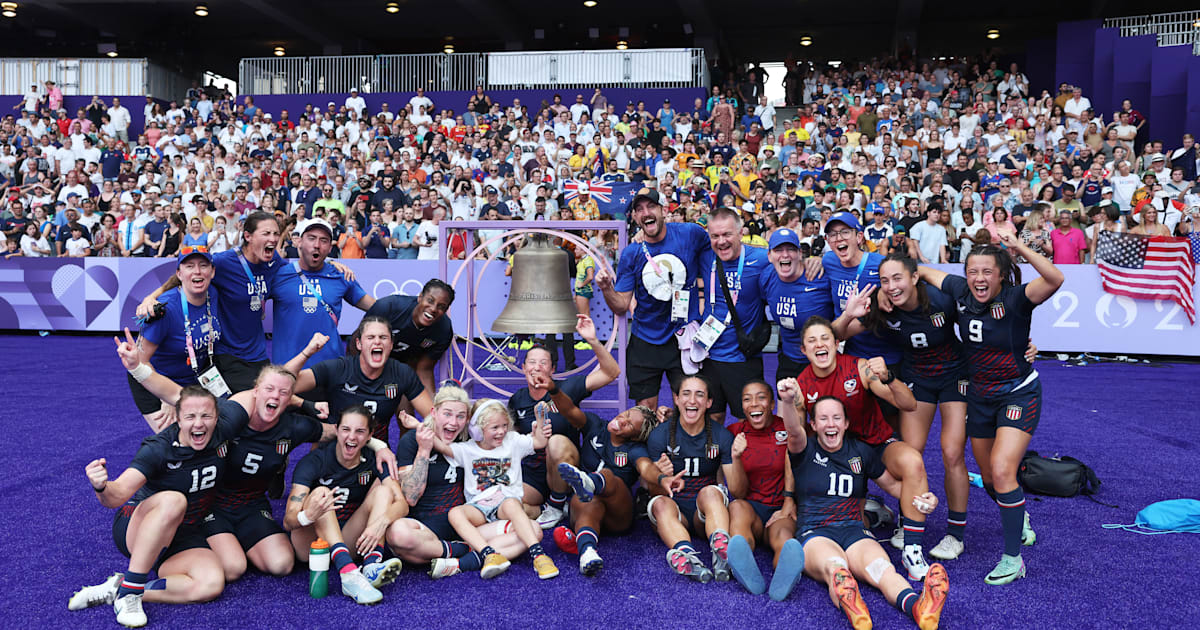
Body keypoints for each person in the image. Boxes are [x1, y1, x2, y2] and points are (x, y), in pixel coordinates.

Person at [917, 228, 1064, 585]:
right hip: (979, 397)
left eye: (987, 272)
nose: (979, 278)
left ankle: (1013, 559)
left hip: (1018, 393)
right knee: (992, 478)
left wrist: (1017, 247)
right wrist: (913, 267)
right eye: (972, 271)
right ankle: (1021, 515)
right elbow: (926, 273)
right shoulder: (959, 291)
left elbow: (1055, 278)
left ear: (1000, 275)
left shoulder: (1016, 298)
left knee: (1000, 469)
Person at [833, 254, 971, 562]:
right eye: (885, 281)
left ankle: (955, 534)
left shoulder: (941, 300)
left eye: (898, 279)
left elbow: (981, 325)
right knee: (911, 452)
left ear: (914, 278)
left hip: (953, 376)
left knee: (951, 452)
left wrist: (1022, 345)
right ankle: (907, 521)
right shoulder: (884, 308)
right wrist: (848, 314)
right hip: (917, 378)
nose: (892, 287)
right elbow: (836, 336)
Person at [776, 389, 948, 628]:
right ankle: (855, 609)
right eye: (823, 419)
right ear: (813, 425)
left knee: (884, 571)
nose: (830, 424)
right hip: (815, 533)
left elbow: (896, 488)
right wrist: (786, 401)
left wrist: (926, 501)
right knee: (835, 568)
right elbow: (794, 430)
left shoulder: (861, 452)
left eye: (836, 418)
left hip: (855, 531)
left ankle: (919, 608)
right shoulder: (804, 450)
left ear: (846, 423)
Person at [793, 316, 935, 580]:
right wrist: (790, 497)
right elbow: (796, 446)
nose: (819, 344)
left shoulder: (859, 368)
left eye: (825, 338)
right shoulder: (801, 386)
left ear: (837, 343)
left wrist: (889, 377)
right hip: (835, 456)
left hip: (875, 443)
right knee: (843, 518)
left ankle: (912, 549)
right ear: (803, 350)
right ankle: (872, 513)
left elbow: (909, 404)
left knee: (912, 461)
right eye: (811, 341)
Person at [385, 385, 538, 579]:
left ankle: (464, 559)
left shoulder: (472, 441)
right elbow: (410, 497)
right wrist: (423, 451)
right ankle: (462, 551)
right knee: (398, 535)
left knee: (532, 530)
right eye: (447, 414)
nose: (453, 422)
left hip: (471, 527)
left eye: (460, 416)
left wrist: (537, 431)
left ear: (468, 420)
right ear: (434, 412)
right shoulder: (413, 441)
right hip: (427, 530)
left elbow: (506, 442)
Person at [596, 189, 708, 408]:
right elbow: (621, 306)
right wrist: (606, 288)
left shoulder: (690, 233)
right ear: (636, 218)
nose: (646, 212)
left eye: (651, 206)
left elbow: (716, 253)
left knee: (690, 408)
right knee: (644, 414)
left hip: (683, 338)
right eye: (639, 209)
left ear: (663, 210)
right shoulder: (631, 253)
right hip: (646, 339)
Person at [507, 315, 620, 529]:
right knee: (509, 505)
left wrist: (593, 341)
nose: (537, 367)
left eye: (543, 363)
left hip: (565, 465)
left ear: (552, 370)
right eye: (532, 362)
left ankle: (557, 504)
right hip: (534, 472)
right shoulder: (517, 399)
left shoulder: (566, 388)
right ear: (523, 368)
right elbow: (509, 440)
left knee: (555, 442)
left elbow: (611, 372)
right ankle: (547, 508)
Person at [285, 406, 403, 604]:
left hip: (348, 540)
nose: (352, 437)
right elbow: (288, 521)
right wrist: (309, 514)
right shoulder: (314, 461)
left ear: (370, 436)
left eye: (360, 431)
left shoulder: (374, 458)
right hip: (312, 545)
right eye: (346, 429)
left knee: (384, 491)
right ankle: (349, 575)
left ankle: (371, 566)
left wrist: (382, 522)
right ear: (337, 431)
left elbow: (402, 503)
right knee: (322, 493)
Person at [431, 399, 560, 580]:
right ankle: (489, 553)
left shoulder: (513, 441)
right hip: (479, 507)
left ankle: (539, 555)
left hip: (506, 504)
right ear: (477, 430)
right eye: (494, 428)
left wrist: (540, 422)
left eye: (504, 426)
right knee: (455, 513)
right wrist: (417, 427)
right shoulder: (466, 450)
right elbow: (441, 446)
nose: (501, 432)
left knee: (512, 504)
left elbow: (538, 442)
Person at [642, 375, 742, 583]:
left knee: (710, 491)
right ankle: (687, 556)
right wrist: (659, 477)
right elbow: (652, 491)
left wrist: (736, 458)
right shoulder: (660, 436)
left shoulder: (721, 436)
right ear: (676, 399)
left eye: (700, 395)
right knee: (659, 504)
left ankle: (721, 549)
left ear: (709, 402)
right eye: (686, 394)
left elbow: (737, 491)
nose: (692, 400)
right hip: (674, 509)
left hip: (704, 511)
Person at [285, 318, 434, 443]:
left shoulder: (402, 373)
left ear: (391, 344)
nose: (377, 342)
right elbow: (281, 383)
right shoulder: (338, 368)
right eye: (370, 337)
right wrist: (307, 352)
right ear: (359, 344)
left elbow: (433, 416)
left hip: (376, 456)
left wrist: (421, 428)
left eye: (383, 337)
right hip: (334, 453)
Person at [554, 403, 659, 576]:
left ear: (635, 437)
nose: (623, 420)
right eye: (626, 414)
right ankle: (587, 552)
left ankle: (590, 482)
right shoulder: (597, 425)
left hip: (618, 515)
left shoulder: (635, 449)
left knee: (608, 475)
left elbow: (646, 467)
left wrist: (661, 477)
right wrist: (552, 388)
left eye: (630, 424)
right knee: (589, 501)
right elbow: (570, 411)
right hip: (587, 505)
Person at [721, 380, 804, 600]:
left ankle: (783, 577)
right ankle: (743, 560)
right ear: (741, 406)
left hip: (779, 508)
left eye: (761, 397)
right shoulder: (733, 433)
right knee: (737, 507)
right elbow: (737, 492)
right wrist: (736, 457)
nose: (754, 404)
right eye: (747, 399)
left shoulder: (786, 428)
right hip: (751, 509)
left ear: (772, 403)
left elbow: (797, 463)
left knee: (785, 540)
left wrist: (789, 500)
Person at [127, 246, 224, 431]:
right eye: (189, 266)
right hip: (155, 381)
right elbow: (140, 361)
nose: (197, 271)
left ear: (212, 272)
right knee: (180, 442)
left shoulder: (213, 293)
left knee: (218, 431)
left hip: (194, 380)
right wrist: (167, 396)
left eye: (203, 265)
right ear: (179, 274)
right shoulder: (165, 310)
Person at [694, 207, 771, 421]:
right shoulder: (704, 256)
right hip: (707, 356)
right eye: (715, 236)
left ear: (741, 232)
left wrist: (814, 261)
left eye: (727, 234)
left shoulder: (762, 258)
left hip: (743, 357)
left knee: (750, 421)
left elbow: (792, 263)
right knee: (711, 421)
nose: (721, 241)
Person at [269, 218, 374, 364]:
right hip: (287, 368)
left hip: (330, 369)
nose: (317, 245)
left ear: (330, 248)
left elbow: (374, 306)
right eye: (311, 238)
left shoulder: (341, 275)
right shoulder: (278, 275)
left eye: (324, 240)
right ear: (299, 241)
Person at [757, 227, 833, 383]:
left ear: (800, 253)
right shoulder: (767, 277)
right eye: (778, 250)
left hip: (823, 359)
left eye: (790, 249)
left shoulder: (820, 275)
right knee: (786, 402)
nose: (785, 254)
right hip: (789, 358)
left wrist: (823, 260)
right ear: (770, 256)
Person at [364, 279, 455, 397]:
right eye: (430, 300)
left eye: (441, 306)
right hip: (371, 361)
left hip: (401, 367)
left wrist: (434, 410)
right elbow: (357, 346)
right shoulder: (389, 307)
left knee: (406, 407)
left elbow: (424, 370)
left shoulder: (444, 330)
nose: (433, 309)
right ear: (420, 297)